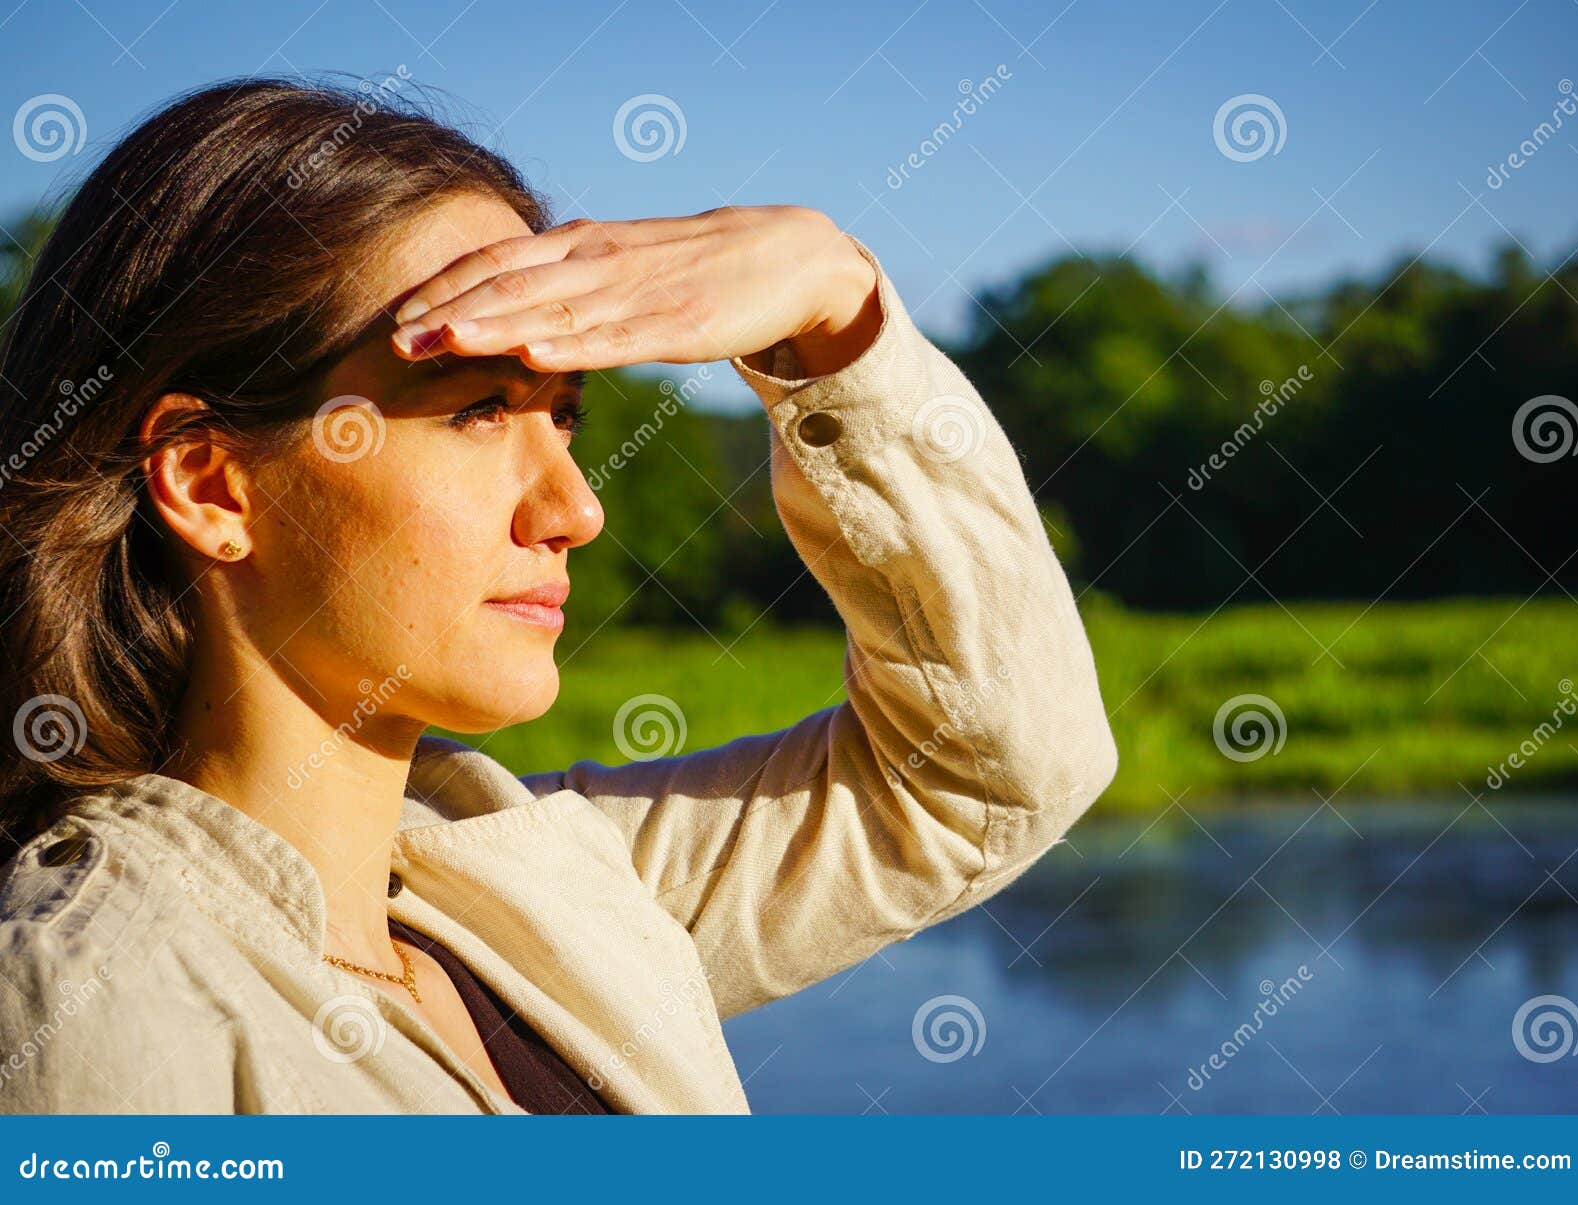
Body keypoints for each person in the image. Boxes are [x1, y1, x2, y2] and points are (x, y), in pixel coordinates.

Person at [0, 79, 1117, 1114]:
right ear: (210, 478)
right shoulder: (88, 996)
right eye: (479, 409)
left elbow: (994, 768)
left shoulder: (545, 883)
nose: (576, 507)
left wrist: (834, 314)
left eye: (563, 413)